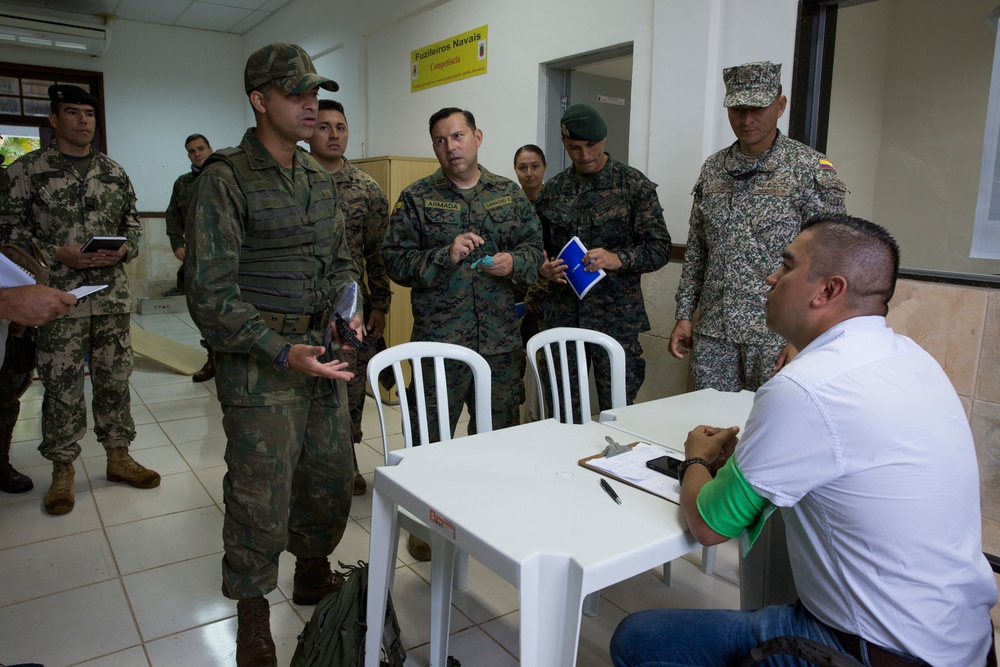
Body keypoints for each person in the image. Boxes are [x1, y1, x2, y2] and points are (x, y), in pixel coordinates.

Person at [611, 215, 998, 667]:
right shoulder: (912, 358)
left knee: (637, 637)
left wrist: (695, 459)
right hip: (963, 641)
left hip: (869, 650)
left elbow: (709, 526)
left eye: (786, 265)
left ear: (827, 290)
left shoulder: (805, 387)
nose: (770, 277)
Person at [185, 43, 363, 667]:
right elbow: (209, 294)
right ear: (260, 101)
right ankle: (253, 611)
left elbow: (341, 261)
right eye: (296, 94)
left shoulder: (318, 176)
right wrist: (282, 351)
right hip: (262, 364)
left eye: (315, 93)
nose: (311, 105)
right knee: (261, 494)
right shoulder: (226, 179)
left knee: (328, 478)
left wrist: (351, 306)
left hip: (322, 357)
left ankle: (312, 571)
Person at [383, 107, 543, 559]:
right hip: (441, 345)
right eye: (439, 140)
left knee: (500, 436)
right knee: (432, 438)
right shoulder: (416, 198)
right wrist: (442, 255)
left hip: (498, 344)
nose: (450, 147)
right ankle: (426, 525)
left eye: (457, 136)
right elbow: (394, 262)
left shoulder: (508, 194)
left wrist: (516, 262)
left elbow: (534, 248)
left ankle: (493, 519)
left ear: (477, 136)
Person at [2, 84, 160, 516]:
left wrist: (125, 248)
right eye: (72, 113)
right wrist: (57, 252)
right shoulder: (26, 171)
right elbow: (8, 231)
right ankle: (63, 469)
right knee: (62, 385)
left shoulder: (113, 171)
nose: (83, 120)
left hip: (110, 296)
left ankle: (118, 457)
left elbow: (133, 224)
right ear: (53, 120)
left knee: (115, 379)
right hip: (55, 298)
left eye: (88, 113)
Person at [670, 61, 846, 392]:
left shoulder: (808, 168)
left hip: (777, 336)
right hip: (714, 332)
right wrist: (684, 314)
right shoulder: (713, 169)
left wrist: (804, 335)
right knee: (709, 427)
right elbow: (697, 250)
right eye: (737, 108)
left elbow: (831, 256)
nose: (747, 119)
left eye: (757, 107)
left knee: (774, 431)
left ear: (779, 106)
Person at [531, 103, 670, 415]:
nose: (585, 155)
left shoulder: (633, 186)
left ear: (604, 140)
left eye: (591, 145)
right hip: (563, 316)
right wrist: (542, 268)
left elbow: (659, 247)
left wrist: (616, 258)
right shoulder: (553, 191)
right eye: (574, 148)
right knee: (562, 409)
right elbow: (533, 248)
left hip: (616, 318)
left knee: (619, 409)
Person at [307, 99, 389, 497]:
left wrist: (381, 305)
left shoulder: (366, 189)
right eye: (324, 126)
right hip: (300, 306)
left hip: (349, 311)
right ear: (309, 130)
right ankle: (307, 463)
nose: (334, 134)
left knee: (349, 386)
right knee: (304, 384)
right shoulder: (294, 178)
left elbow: (378, 253)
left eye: (340, 126)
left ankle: (346, 461)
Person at [164, 133, 216, 382]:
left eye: (201, 148)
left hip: (228, 257)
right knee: (201, 311)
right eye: (192, 151)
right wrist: (177, 244)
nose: (197, 154)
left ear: (210, 148)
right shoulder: (183, 183)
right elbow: (173, 215)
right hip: (196, 259)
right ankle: (213, 358)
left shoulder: (224, 175)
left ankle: (233, 359)